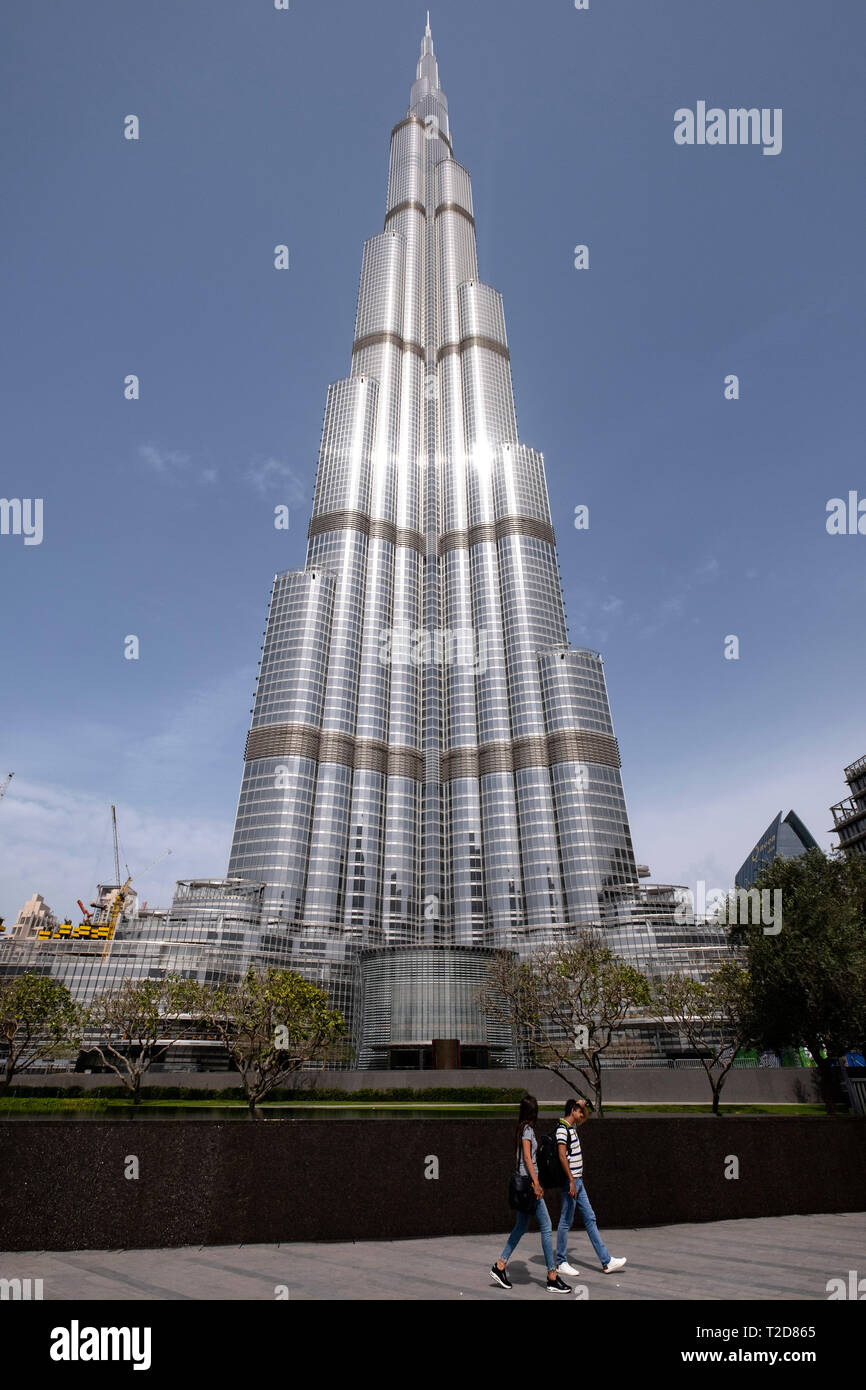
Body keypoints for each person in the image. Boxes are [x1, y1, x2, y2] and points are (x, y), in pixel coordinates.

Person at [490, 1095, 572, 1292]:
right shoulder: (527, 1130)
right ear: (532, 1112)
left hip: (525, 1183)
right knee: (546, 1225)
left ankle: (500, 1266)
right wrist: (536, 1183)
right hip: (529, 1185)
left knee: (521, 1226)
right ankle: (552, 1276)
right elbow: (527, 1157)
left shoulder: (521, 1128)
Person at [554, 1096, 626, 1276]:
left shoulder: (573, 1127)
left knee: (590, 1218)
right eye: (578, 1111)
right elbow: (562, 1156)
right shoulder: (562, 1130)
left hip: (578, 1182)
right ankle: (561, 1261)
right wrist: (570, 1180)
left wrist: (582, 1104)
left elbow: (585, 1117)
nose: (581, 1114)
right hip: (571, 1182)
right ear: (572, 1111)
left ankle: (606, 1261)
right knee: (565, 1221)